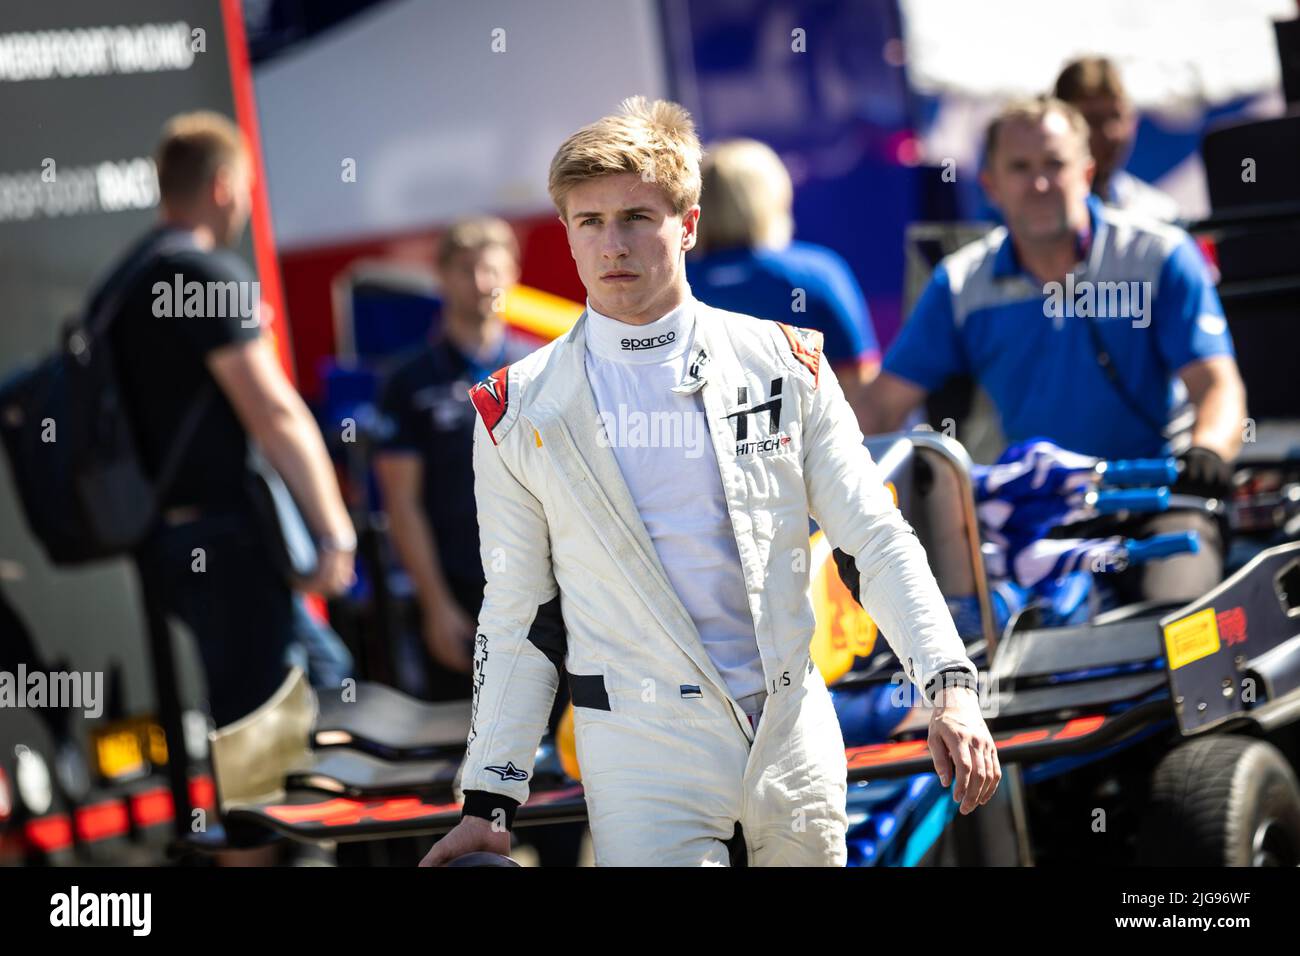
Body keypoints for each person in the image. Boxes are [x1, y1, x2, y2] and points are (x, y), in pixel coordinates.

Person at [420, 97, 997, 868]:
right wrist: (490, 797)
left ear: (688, 225)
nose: (612, 243)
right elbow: (520, 611)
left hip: (792, 728)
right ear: (565, 234)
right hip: (639, 749)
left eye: (636, 217)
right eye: (588, 221)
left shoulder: (787, 363)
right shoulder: (513, 407)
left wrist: (949, 685)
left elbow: (874, 538)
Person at [856, 96, 1247, 603]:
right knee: (992, 653)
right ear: (991, 186)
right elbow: (882, 406)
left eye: (1055, 165)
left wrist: (1208, 452)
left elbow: (1218, 385)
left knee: (1174, 626)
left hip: (1161, 498)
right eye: (1020, 167)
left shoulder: (1160, 255)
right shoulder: (959, 285)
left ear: (1086, 171)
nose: (1040, 183)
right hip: (1035, 512)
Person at [102, 111, 357, 729]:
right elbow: (274, 412)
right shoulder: (208, 274)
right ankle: (266, 826)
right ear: (221, 186)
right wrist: (335, 533)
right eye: (245, 188)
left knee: (319, 683)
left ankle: (293, 819)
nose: (245, 202)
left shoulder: (125, 283)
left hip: (169, 541)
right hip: (225, 543)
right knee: (266, 731)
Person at [373, 218, 538, 699]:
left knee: (563, 755)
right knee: (470, 748)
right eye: (466, 270)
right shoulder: (408, 381)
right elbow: (401, 505)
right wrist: (435, 604)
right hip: (461, 594)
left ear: (513, 273)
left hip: (542, 589)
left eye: (492, 269)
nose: (482, 283)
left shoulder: (542, 366)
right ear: (442, 278)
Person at [687, 138, 880, 410]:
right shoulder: (816, 274)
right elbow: (860, 384)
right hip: (804, 446)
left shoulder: (674, 282)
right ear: (774, 199)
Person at [1054, 57, 1180, 222]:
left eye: (1117, 116)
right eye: (1093, 120)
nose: (1111, 133)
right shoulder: (1032, 215)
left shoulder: (1159, 214)